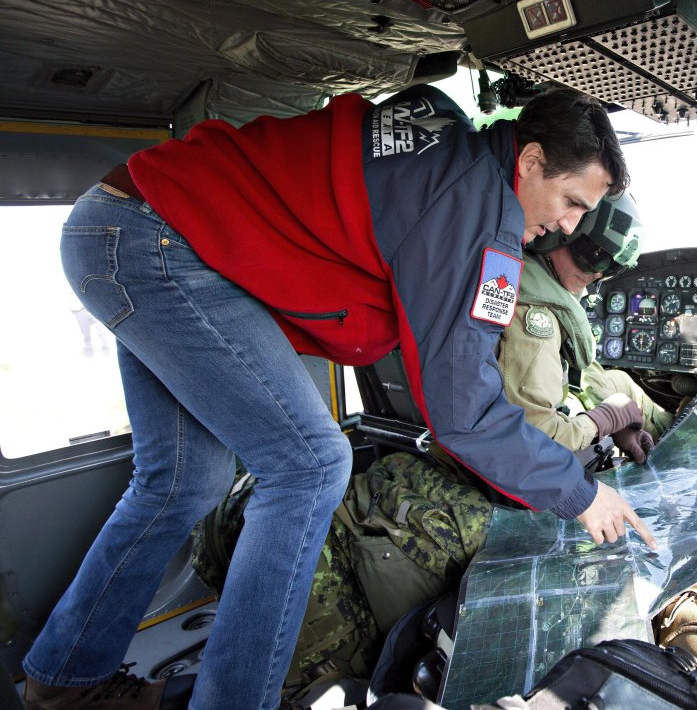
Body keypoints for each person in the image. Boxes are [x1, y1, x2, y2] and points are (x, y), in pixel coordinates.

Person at [24, 84, 655, 710]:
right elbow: (461, 409)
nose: (568, 226)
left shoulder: (443, 148)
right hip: (159, 241)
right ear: (530, 160)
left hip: (125, 223)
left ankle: (64, 680)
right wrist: (577, 493)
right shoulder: (479, 213)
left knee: (182, 481)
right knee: (311, 465)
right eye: (570, 202)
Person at [500, 193, 674, 463]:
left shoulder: (532, 277)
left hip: (536, 404)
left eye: (612, 267)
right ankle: (676, 452)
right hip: (522, 452)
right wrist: (604, 420)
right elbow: (538, 438)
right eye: (595, 256)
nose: (598, 274)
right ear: (560, 233)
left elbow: (581, 370)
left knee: (621, 383)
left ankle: (669, 433)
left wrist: (619, 425)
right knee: (621, 397)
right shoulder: (537, 317)